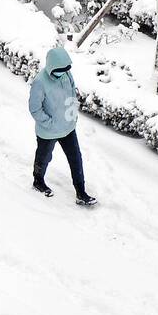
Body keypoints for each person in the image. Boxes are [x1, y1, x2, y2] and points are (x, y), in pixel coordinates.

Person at [28, 46, 96, 207]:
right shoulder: (40, 82)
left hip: (67, 127)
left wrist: (73, 114)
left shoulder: (66, 74)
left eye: (66, 69)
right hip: (48, 131)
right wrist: (49, 124)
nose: (64, 72)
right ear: (52, 67)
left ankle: (81, 192)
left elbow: (72, 93)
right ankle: (38, 181)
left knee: (76, 158)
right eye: (60, 69)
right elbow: (34, 108)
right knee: (44, 158)